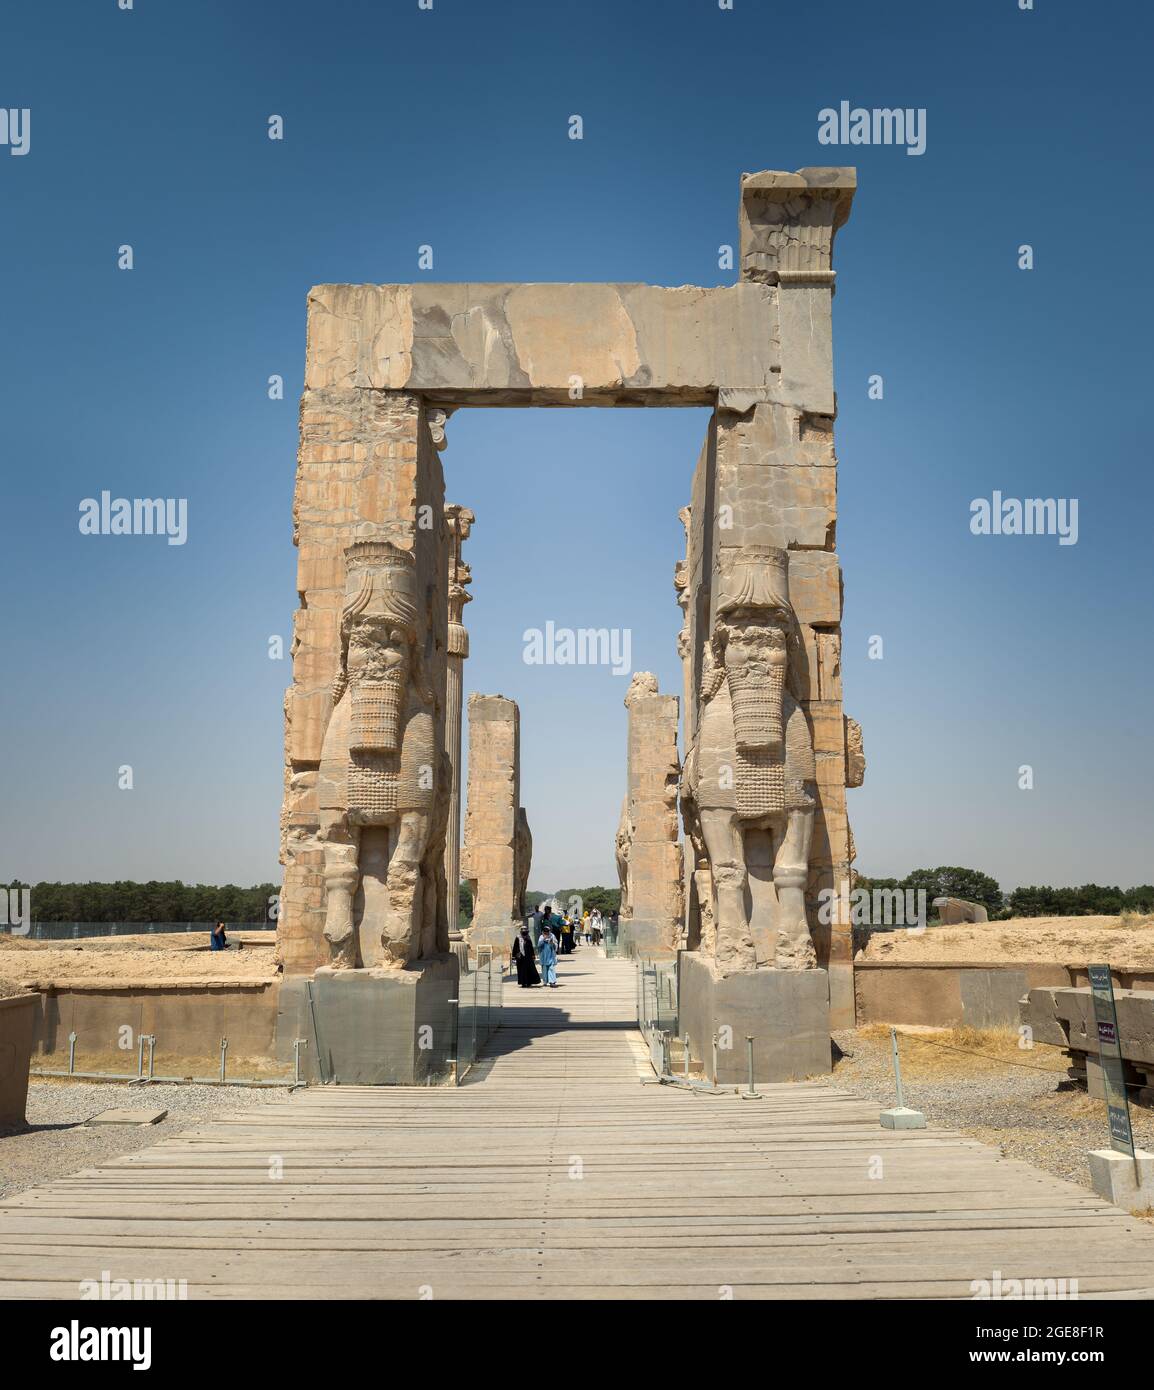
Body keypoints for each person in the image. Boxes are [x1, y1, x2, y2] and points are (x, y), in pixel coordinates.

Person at [537, 921, 558, 987]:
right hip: (543, 955)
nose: (546, 933)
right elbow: (539, 945)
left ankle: (552, 981)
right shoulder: (541, 937)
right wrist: (544, 939)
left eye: (547, 931)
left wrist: (552, 943)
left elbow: (555, 945)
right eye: (545, 931)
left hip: (551, 955)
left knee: (551, 968)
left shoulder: (552, 936)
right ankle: (545, 981)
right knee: (544, 969)